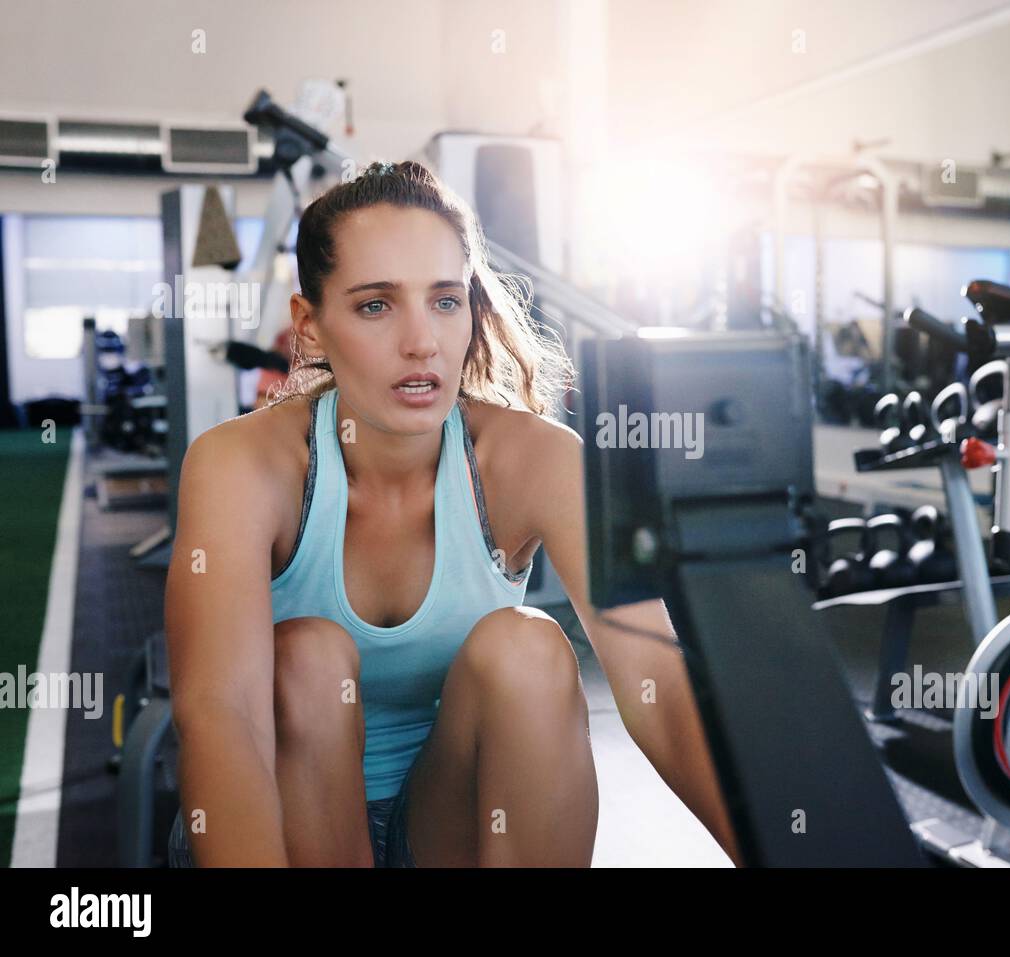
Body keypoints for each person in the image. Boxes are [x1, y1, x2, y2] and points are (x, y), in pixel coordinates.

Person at [165, 160, 739, 867]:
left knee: (529, 648)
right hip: (283, 822)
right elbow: (223, 717)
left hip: (443, 821)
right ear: (309, 327)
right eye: (376, 305)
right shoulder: (240, 464)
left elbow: (663, 693)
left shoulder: (537, 461)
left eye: (443, 300)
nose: (422, 341)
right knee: (306, 659)